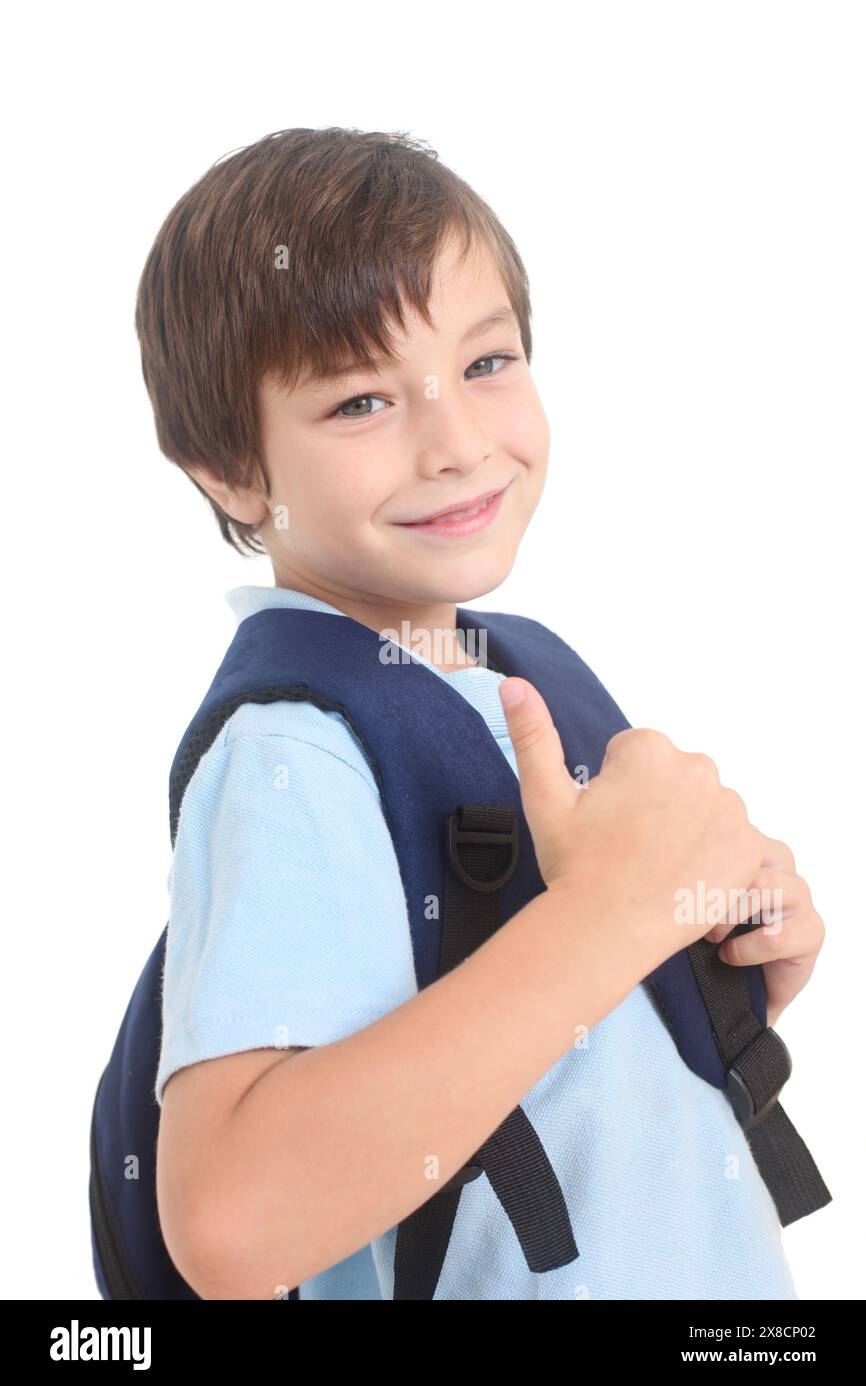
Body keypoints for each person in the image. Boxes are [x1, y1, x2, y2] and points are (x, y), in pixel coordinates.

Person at [141, 127, 826, 1299]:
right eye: (359, 401)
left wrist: (728, 940)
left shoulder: (510, 667)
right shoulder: (292, 753)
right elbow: (231, 1226)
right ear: (230, 471)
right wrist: (613, 914)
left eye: (485, 362)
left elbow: (547, 1034)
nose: (456, 442)